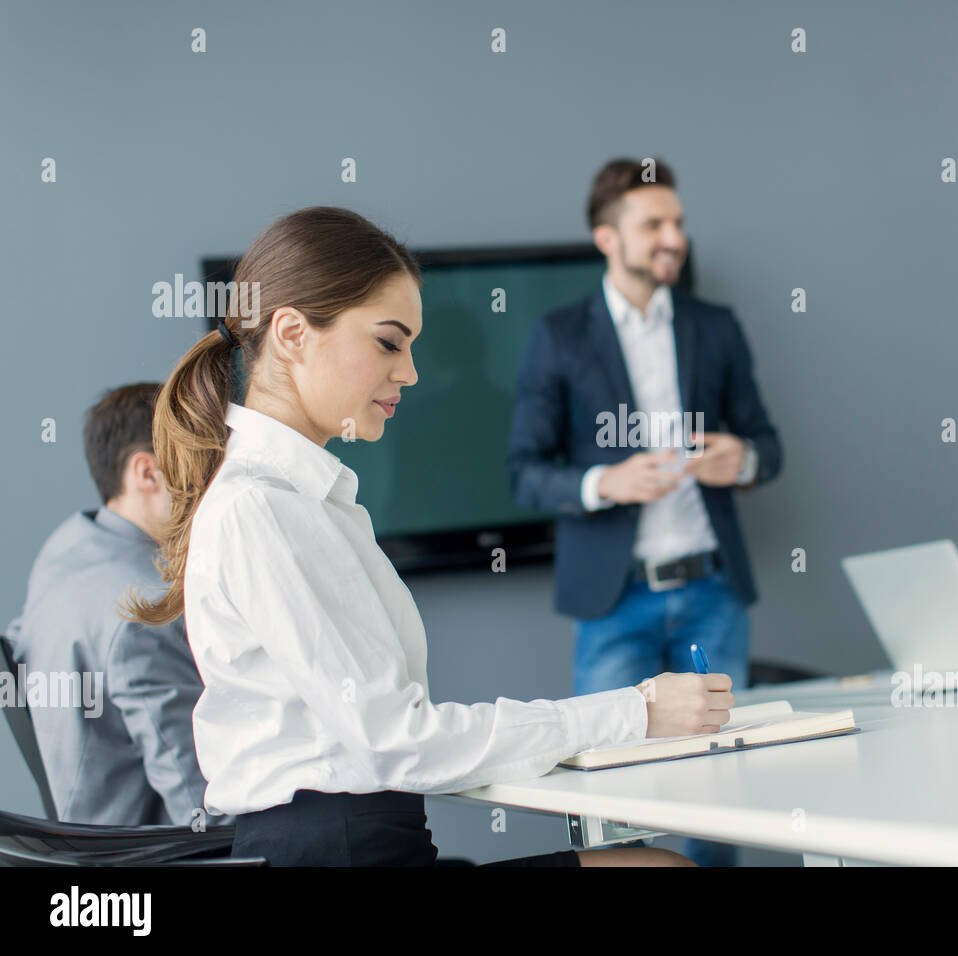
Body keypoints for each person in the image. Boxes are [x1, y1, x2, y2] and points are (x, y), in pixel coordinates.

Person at [123, 206, 730, 867]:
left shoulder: (298, 500)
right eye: (389, 342)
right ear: (293, 334)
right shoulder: (263, 509)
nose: (409, 372)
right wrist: (634, 711)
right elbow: (397, 739)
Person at [507, 158, 781, 866]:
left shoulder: (714, 326)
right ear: (607, 237)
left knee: (723, 789)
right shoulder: (559, 335)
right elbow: (524, 473)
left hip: (713, 592)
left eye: (678, 223)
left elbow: (769, 445)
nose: (673, 238)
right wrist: (606, 482)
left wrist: (741, 459)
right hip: (614, 597)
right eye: (653, 224)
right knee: (611, 792)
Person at [5, 384, 223, 827]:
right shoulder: (144, 611)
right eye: (208, 460)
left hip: (85, 829)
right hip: (147, 857)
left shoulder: (68, 549)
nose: (219, 481)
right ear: (148, 472)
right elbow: (201, 813)